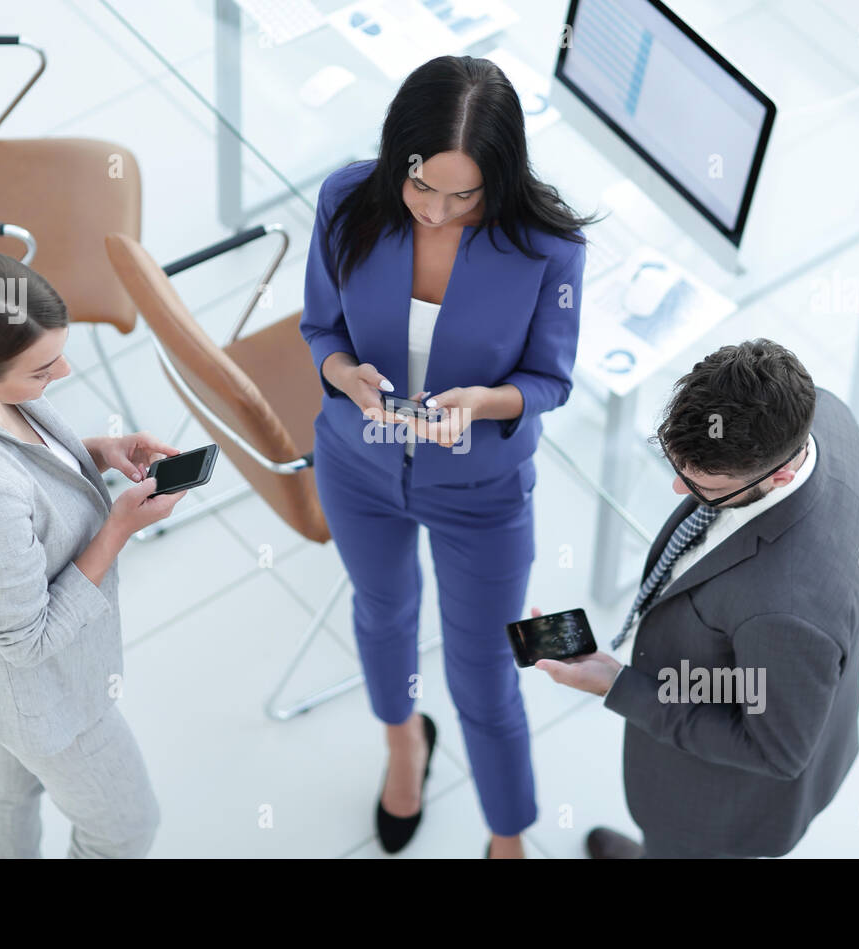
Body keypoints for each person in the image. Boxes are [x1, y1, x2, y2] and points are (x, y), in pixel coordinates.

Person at [299, 55, 596, 858]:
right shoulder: (346, 200)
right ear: (397, 157)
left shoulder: (549, 247)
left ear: (499, 177)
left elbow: (550, 381)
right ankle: (405, 744)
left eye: (463, 196)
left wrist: (484, 403)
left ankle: (508, 833)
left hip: (481, 491)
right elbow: (320, 328)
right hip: (358, 464)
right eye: (422, 185)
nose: (436, 211)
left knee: (487, 671)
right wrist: (343, 374)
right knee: (382, 611)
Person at [535, 339, 859, 858]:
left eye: (703, 486)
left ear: (780, 475)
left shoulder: (787, 613)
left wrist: (619, 686)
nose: (678, 489)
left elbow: (775, 751)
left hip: (719, 803)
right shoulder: (822, 412)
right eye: (675, 464)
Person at [0, 252, 187, 858]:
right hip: (43, 696)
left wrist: (98, 451)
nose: (65, 370)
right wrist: (119, 528)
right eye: (42, 370)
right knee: (125, 829)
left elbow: (21, 459)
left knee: (8, 781)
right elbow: (28, 640)